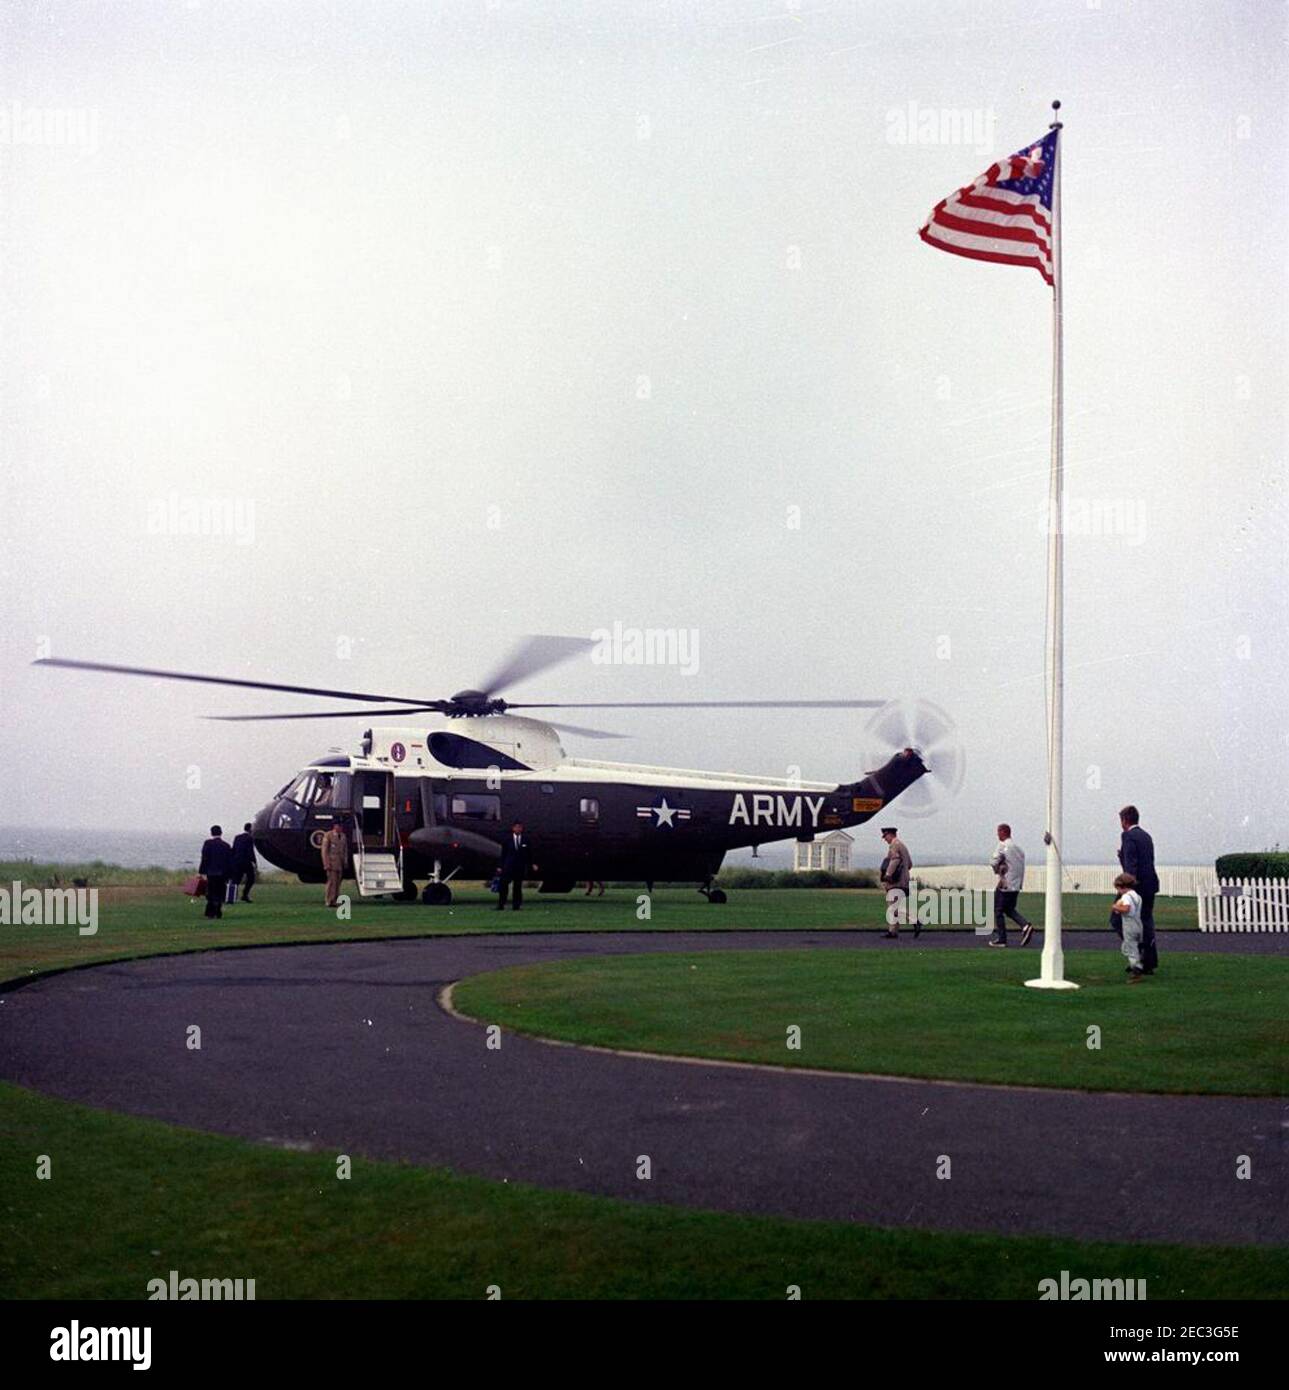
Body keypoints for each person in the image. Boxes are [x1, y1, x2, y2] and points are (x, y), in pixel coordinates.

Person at [1117, 806, 1160, 974]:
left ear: (1125, 820)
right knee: (1147, 922)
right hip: (1150, 885)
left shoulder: (1127, 836)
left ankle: (1137, 953)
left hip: (1135, 887)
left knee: (1117, 920)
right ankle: (1149, 961)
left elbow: (1131, 866)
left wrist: (1127, 888)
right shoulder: (1146, 836)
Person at [988, 823, 1034, 948]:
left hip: (1005, 884)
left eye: (998, 832)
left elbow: (993, 862)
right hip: (1016, 884)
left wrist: (998, 869)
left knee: (998, 910)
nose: (997, 834)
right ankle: (1025, 926)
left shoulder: (1002, 846)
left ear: (1003, 832)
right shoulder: (1019, 849)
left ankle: (1002, 939)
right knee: (1009, 909)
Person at [1110, 872, 1146, 983]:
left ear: (1122, 887)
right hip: (1138, 923)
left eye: (1118, 889)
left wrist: (1115, 906)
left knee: (1131, 948)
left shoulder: (1126, 897)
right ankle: (1136, 963)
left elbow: (1126, 909)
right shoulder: (1137, 896)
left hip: (1129, 924)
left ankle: (1136, 969)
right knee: (1130, 945)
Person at [878, 826, 913, 938]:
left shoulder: (894, 845)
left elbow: (895, 860)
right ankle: (893, 931)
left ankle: (915, 920)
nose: (885, 839)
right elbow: (910, 864)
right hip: (903, 881)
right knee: (894, 905)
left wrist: (888, 874)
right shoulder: (902, 846)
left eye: (885, 836)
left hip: (895, 881)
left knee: (892, 906)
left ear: (890, 834)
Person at [198, 825, 232, 920]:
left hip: (211, 872)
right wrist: (229, 874)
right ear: (221, 833)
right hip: (223, 873)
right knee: (220, 892)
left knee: (211, 892)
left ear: (211, 833)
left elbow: (204, 858)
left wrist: (201, 871)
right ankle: (218, 910)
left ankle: (210, 913)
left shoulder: (208, 843)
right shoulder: (226, 845)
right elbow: (229, 861)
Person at [497, 821, 532, 912]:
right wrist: (500, 866)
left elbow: (529, 854)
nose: (518, 829)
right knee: (504, 886)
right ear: (513, 829)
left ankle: (516, 906)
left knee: (517, 887)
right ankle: (501, 904)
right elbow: (503, 854)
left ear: (522, 829)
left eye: (519, 827)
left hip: (519, 867)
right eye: (516, 827)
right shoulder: (507, 840)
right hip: (508, 866)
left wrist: (532, 864)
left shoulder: (526, 840)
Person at [320, 819, 349, 908]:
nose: (341, 828)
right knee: (331, 882)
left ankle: (335, 900)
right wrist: (326, 863)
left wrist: (345, 861)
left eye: (341, 826)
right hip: (331, 863)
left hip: (339, 863)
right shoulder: (328, 835)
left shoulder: (343, 836)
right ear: (335, 826)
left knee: (338, 883)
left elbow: (345, 850)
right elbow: (324, 851)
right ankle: (329, 900)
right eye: (339, 826)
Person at [231, 822, 258, 902]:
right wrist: (254, 862)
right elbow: (250, 851)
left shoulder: (237, 837)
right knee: (251, 879)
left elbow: (234, 849)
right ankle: (245, 895)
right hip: (246, 862)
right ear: (250, 829)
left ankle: (232, 896)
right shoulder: (250, 838)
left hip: (237, 861)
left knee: (236, 880)